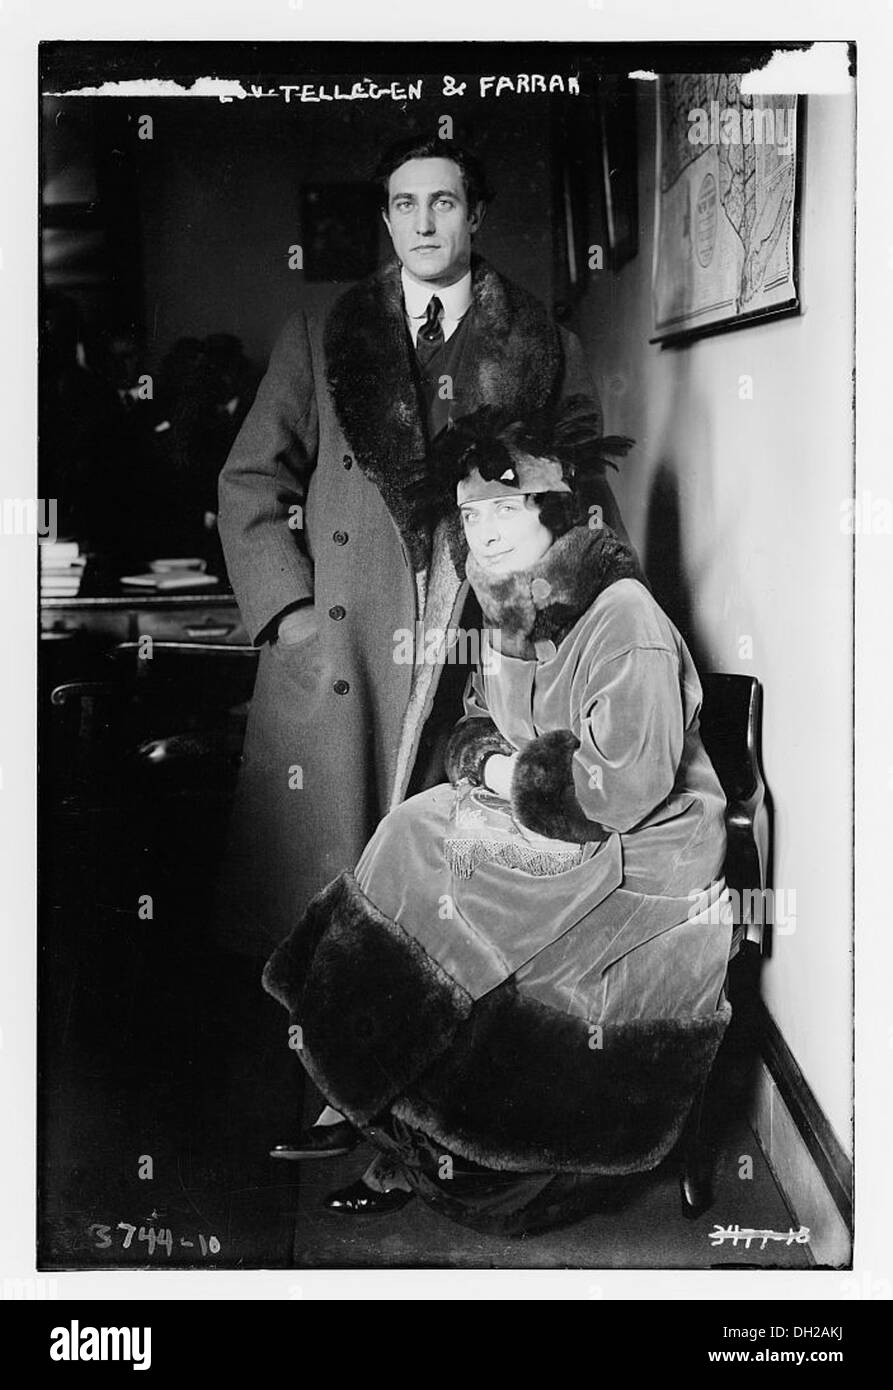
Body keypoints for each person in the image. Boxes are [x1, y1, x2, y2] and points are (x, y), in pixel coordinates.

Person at [216, 136, 628, 1154]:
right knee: (332, 870)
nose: (425, 222)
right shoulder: (320, 329)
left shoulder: (537, 337)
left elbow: (580, 497)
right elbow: (249, 483)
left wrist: (571, 625)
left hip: (474, 649)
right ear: (386, 221)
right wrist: (291, 615)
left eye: (444, 202)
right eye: (405, 205)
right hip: (344, 656)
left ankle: (430, 1101)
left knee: (451, 870)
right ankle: (330, 1085)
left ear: (474, 215)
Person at [262, 413, 735, 1234]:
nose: (481, 534)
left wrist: (509, 777)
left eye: (502, 513)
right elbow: (481, 717)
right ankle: (366, 1083)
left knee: (473, 902)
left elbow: (626, 785)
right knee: (411, 828)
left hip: (637, 846)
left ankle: (408, 1117)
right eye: (470, 517)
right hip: (547, 810)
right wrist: (486, 763)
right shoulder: (513, 603)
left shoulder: (624, 618)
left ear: (558, 515)